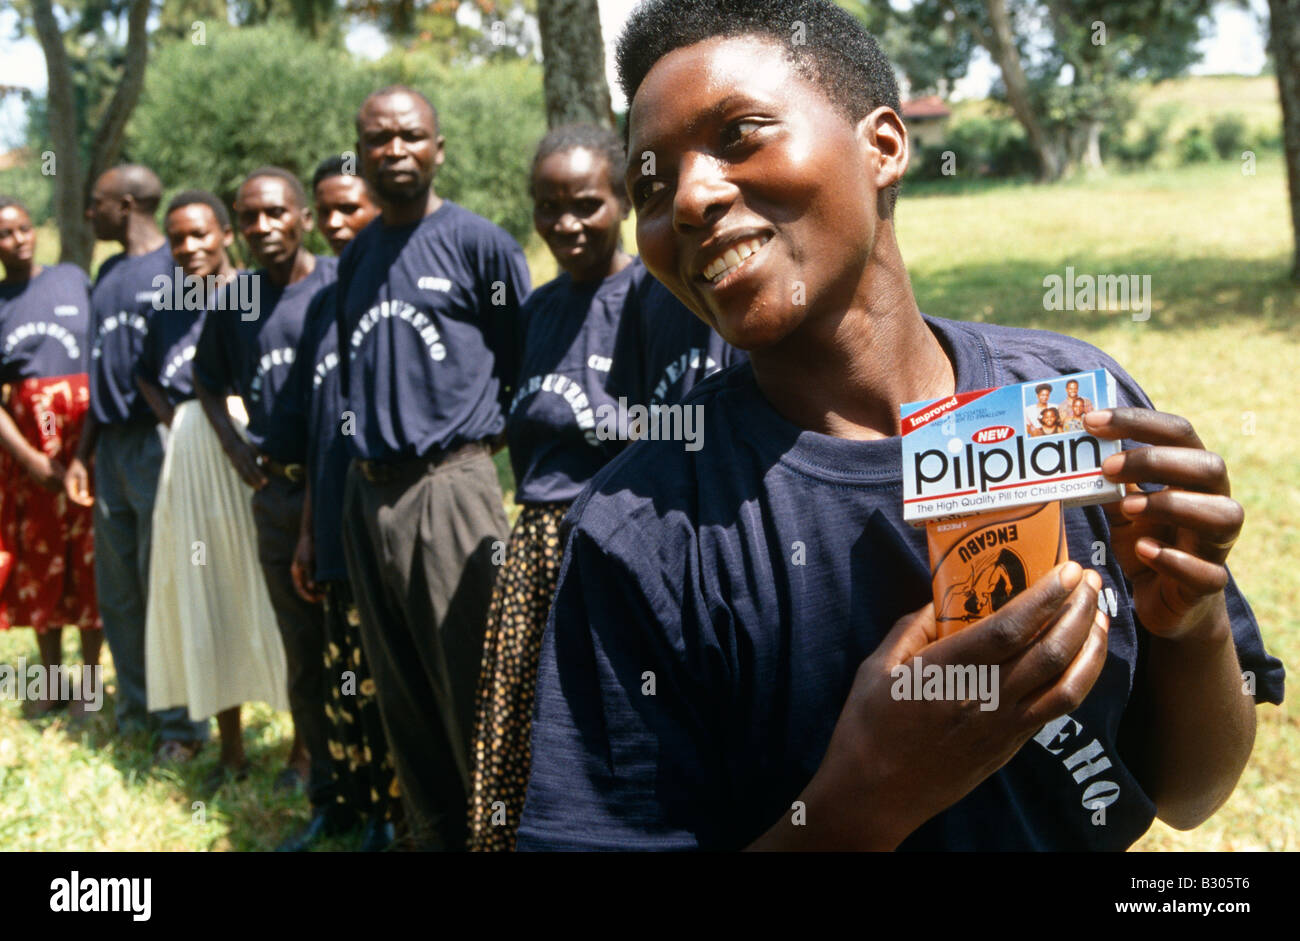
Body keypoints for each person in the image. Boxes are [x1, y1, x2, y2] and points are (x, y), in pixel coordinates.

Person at [517, 0, 1285, 852]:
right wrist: (866, 797)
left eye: (740, 134)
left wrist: (1190, 624)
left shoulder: (1078, 396)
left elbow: (1189, 793)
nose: (691, 197)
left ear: (883, 145)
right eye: (649, 186)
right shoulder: (640, 535)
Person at [336, 85, 530, 850]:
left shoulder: (480, 244)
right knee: (404, 694)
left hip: (450, 489)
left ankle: (500, 836)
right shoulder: (356, 255)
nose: (394, 150)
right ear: (361, 154)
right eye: (378, 138)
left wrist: (470, 464)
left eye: (410, 135)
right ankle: (436, 836)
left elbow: (523, 363)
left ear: (438, 147)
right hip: (369, 494)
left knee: (475, 689)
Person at [468, 124, 644, 851]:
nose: (564, 224)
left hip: (612, 544)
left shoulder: (652, 300)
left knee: (606, 727)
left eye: (585, 204)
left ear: (625, 199)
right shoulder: (536, 310)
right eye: (547, 206)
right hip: (534, 548)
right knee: (521, 723)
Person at [192, 167, 338, 818]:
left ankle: (380, 781)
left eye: (276, 213)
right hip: (278, 496)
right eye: (249, 217)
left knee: (360, 640)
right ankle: (312, 766)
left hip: (344, 489)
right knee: (301, 643)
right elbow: (205, 382)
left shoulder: (340, 282)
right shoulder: (235, 301)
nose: (262, 227)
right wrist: (236, 447)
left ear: (304, 216)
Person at [136, 190, 287, 792]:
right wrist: (178, 423)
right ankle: (231, 750)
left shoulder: (261, 290)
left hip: (258, 448)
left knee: (275, 584)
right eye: (177, 239)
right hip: (195, 454)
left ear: (226, 233)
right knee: (211, 592)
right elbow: (147, 374)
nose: (189, 248)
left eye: (200, 234)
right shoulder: (170, 302)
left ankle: (304, 750)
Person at [65, 165, 209, 758]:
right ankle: (135, 711)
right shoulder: (107, 271)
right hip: (113, 448)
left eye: (95, 204)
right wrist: (82, 453)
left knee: (165, 585)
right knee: (120, 589)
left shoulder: (174, 267)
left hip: (159, 440)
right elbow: (104, 368)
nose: (88, 215)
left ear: (125, 205)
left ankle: (183, 725)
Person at [282, 155, 398, 852]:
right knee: (339, 675)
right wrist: (305, 533)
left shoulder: (392, 285)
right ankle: (342, 800)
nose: (334, 224)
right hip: (327, 518)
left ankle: (393, 811)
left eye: (348, 208)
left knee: (384, 677)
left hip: (383, 517)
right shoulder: (321, 302)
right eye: (323, 211)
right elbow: (315, 429)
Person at [0, 197, 100, 716]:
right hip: (27, 450)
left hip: (84, 443)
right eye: (4, 234)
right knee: (41, 560)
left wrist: (83, 451)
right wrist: (30, 461)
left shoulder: (72, 281)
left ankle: (88, 689)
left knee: (88, 560)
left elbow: (101, 361)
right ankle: (48, 684)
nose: (17, 239)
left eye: (22, 228)